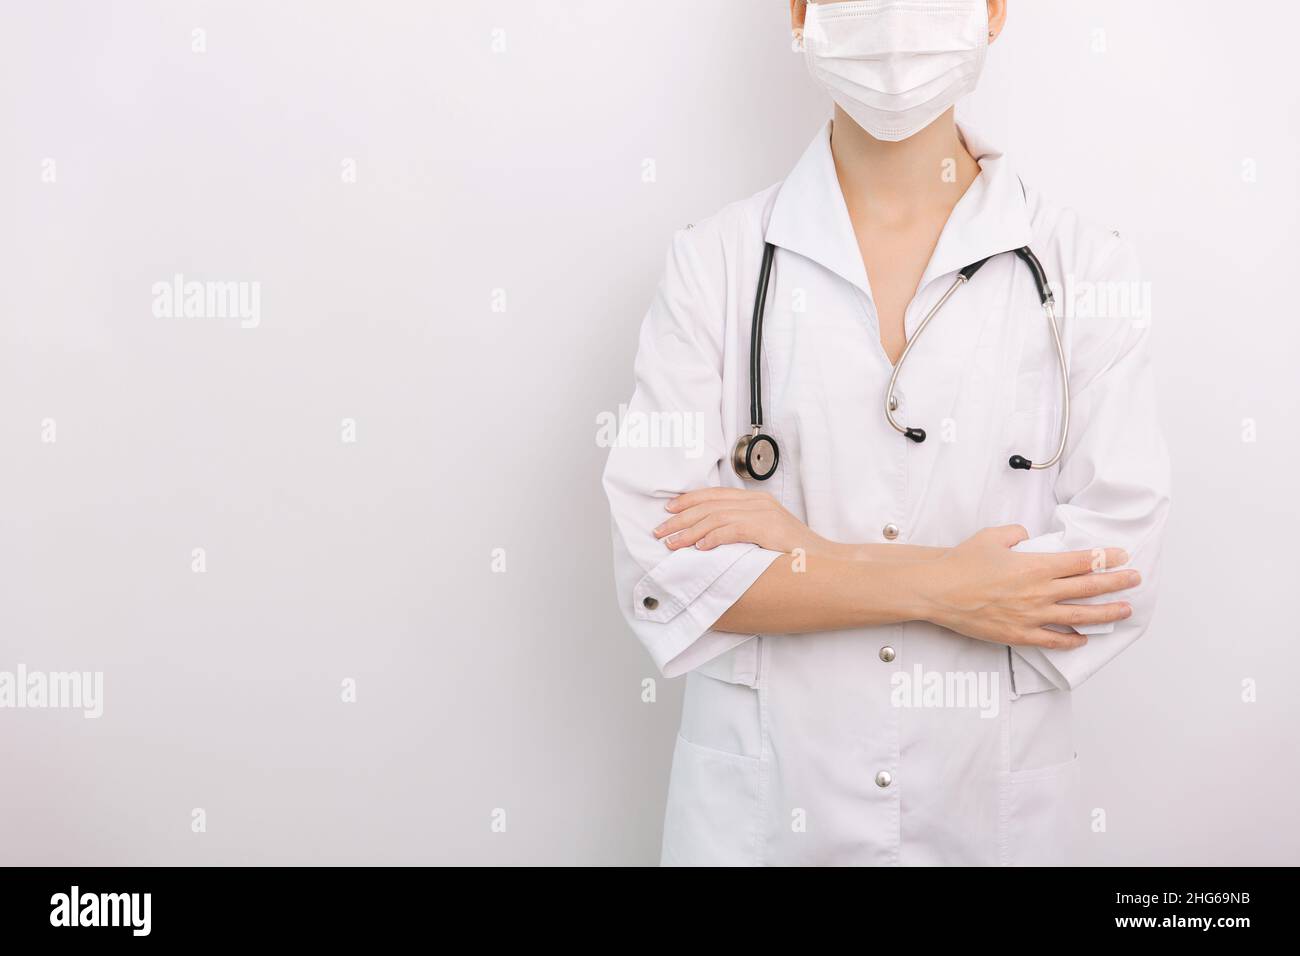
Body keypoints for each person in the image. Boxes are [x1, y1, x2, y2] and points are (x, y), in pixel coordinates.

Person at [602, 0, 1169, 866]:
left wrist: (800, 554)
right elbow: (660, 570)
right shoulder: (713, 264)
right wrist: (952, 586)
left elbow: (1111, 578)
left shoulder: (1087, 269)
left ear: (992, 11)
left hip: (990, 813)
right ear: (802, 12)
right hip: (763, 821)